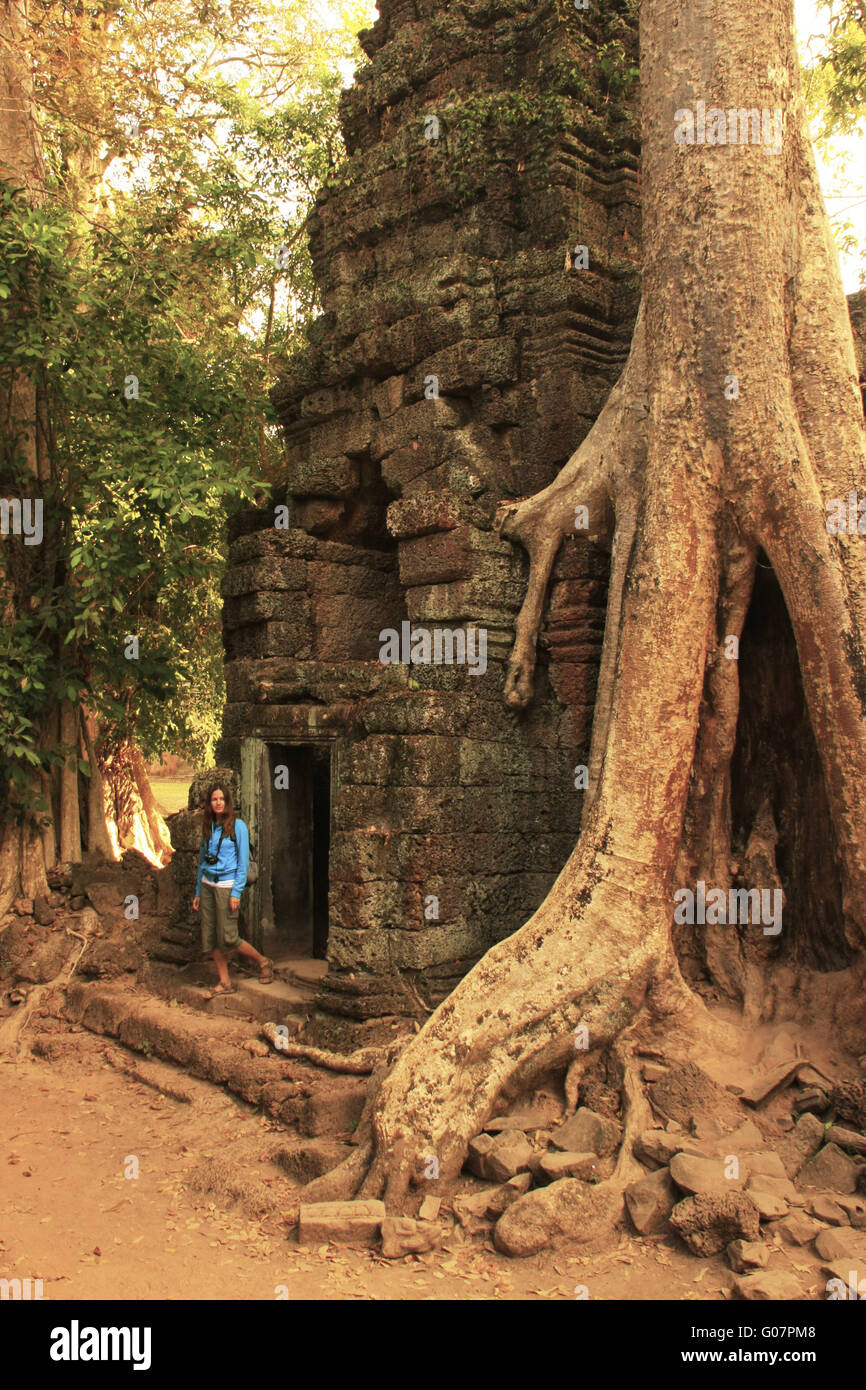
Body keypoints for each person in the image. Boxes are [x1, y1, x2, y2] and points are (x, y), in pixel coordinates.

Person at [192, 783, 274, 996]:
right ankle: (225, 982)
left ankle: (263, 962)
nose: (218, 803)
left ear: (228, 802)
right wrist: (198, 891)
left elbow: (243, 862)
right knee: (210, 938)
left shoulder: (238, 827)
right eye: (214, 799)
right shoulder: (208, 825)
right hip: (208, 885)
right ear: (210, 803)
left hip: (227, 887)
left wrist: (236, 892)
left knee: (228, 936)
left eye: (221, 799)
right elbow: (202, 860)